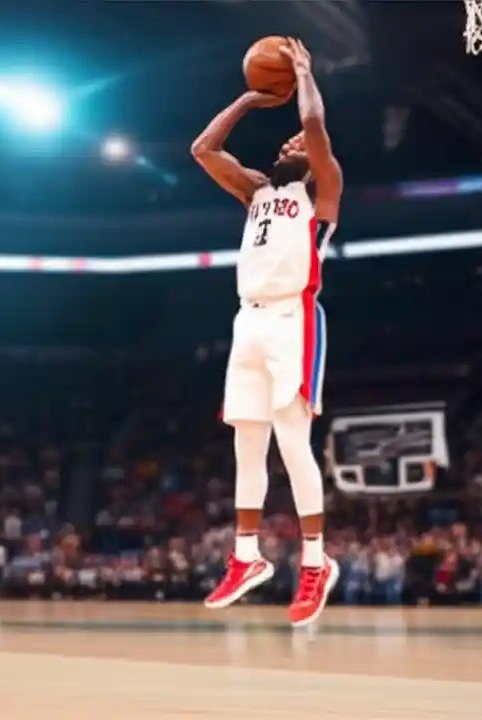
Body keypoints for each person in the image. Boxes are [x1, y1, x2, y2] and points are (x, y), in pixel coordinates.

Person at [190, 38, 343, 626]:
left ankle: (314, 563)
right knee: (245, 445)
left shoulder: (323, 190)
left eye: (298, 143)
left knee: (292, 442)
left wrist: (304, 74)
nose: (291, 140)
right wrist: (250, 100)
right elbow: (203, 148)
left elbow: (314, 121)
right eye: (287, 140)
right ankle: (247, 557)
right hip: (247, 318)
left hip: (291, 317)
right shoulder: (257, 190)